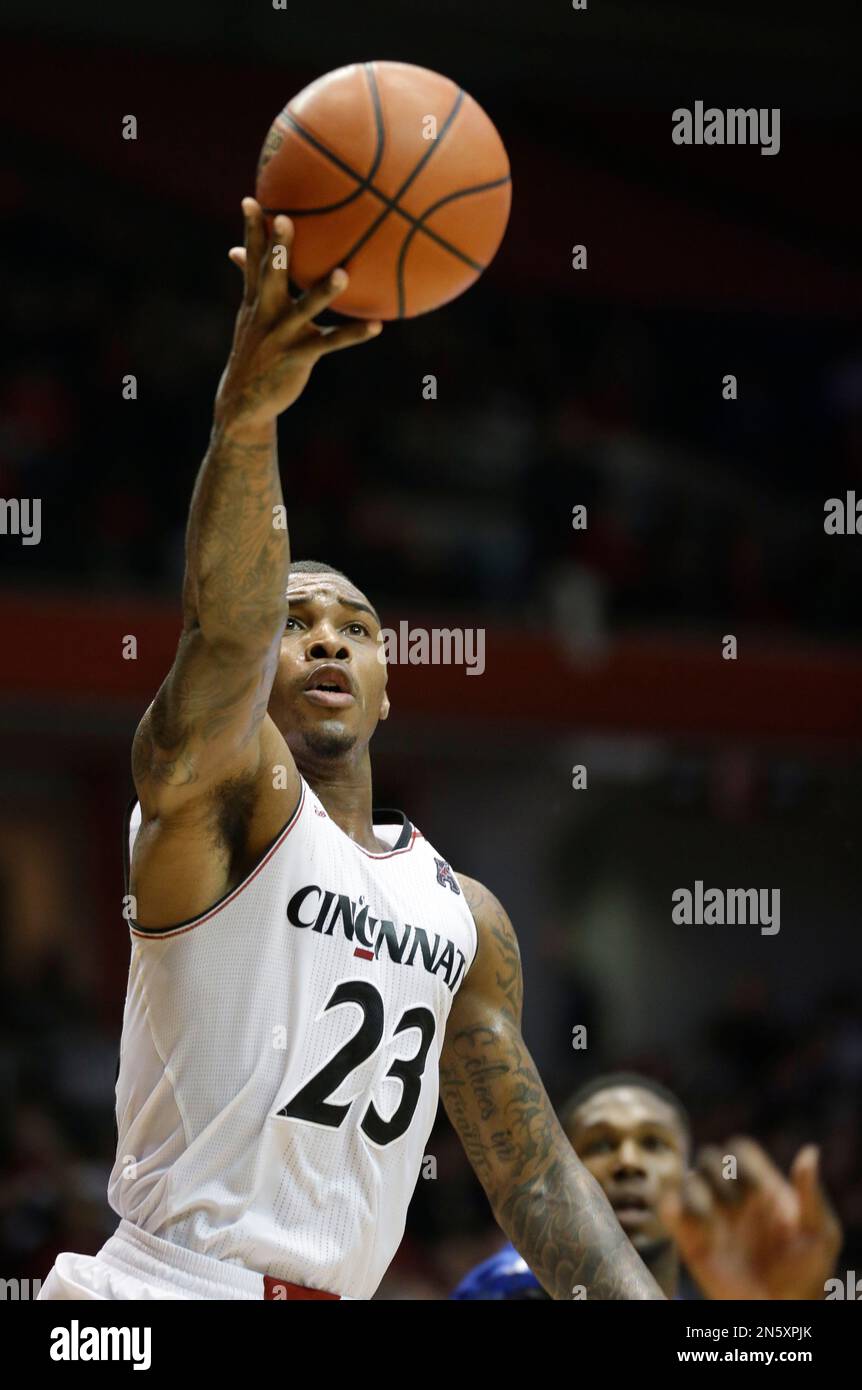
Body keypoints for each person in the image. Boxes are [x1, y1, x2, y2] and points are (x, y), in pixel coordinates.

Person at [39, 202, 664, 1301]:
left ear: (387, 684)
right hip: (157, 1295)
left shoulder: (461, 915)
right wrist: (248, 416)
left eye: (356, 626)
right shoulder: (220, 803)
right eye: (297, 620)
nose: (324, 635)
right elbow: (220, 635)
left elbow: (532, 1175)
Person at [452, 1071, 842, 1300]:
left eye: (653, 1143)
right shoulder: (504, 1287)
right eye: (600, 1144)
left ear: (691, 1181)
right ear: (562, 1179)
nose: (628, 1162)